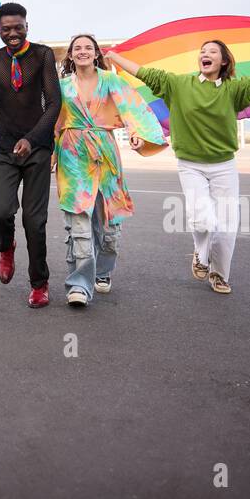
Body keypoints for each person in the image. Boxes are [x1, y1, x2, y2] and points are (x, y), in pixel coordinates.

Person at [106, 35, 250, 294]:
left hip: (223, 165)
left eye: (212, 51)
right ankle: (201, 256)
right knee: (202, 220)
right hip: (190, 164)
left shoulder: (235, 89)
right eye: (203, 51)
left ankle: (219, 274)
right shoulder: (178, 84)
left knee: (226, 226)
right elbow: (144, 73)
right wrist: (114, 57)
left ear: (223, 61)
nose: (206, 54)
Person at [53, 34, 166, 308]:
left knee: (109, 228)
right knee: (79, 224)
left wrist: (138, 135)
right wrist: (49, 152)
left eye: (87, 48)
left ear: (95, 54)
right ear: (70, 55)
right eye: (77, 48)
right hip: (72, 155)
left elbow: (134, 109)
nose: (82, 51)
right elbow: (53, 122)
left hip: (105, 155)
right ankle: (79, 285)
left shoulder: (112, 81)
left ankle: (102, 271)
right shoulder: (61, 86)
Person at [0, 2, 60, 308]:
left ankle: (39, 283)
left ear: (26, 26)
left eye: (17, 27)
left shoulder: (43, 55)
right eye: (6, 29)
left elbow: (54, 104)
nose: (12, 33)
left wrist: (32, 139)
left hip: (37, 147)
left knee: (34, 222)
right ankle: (6, 247)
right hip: (5, 147)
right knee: (1, 211)